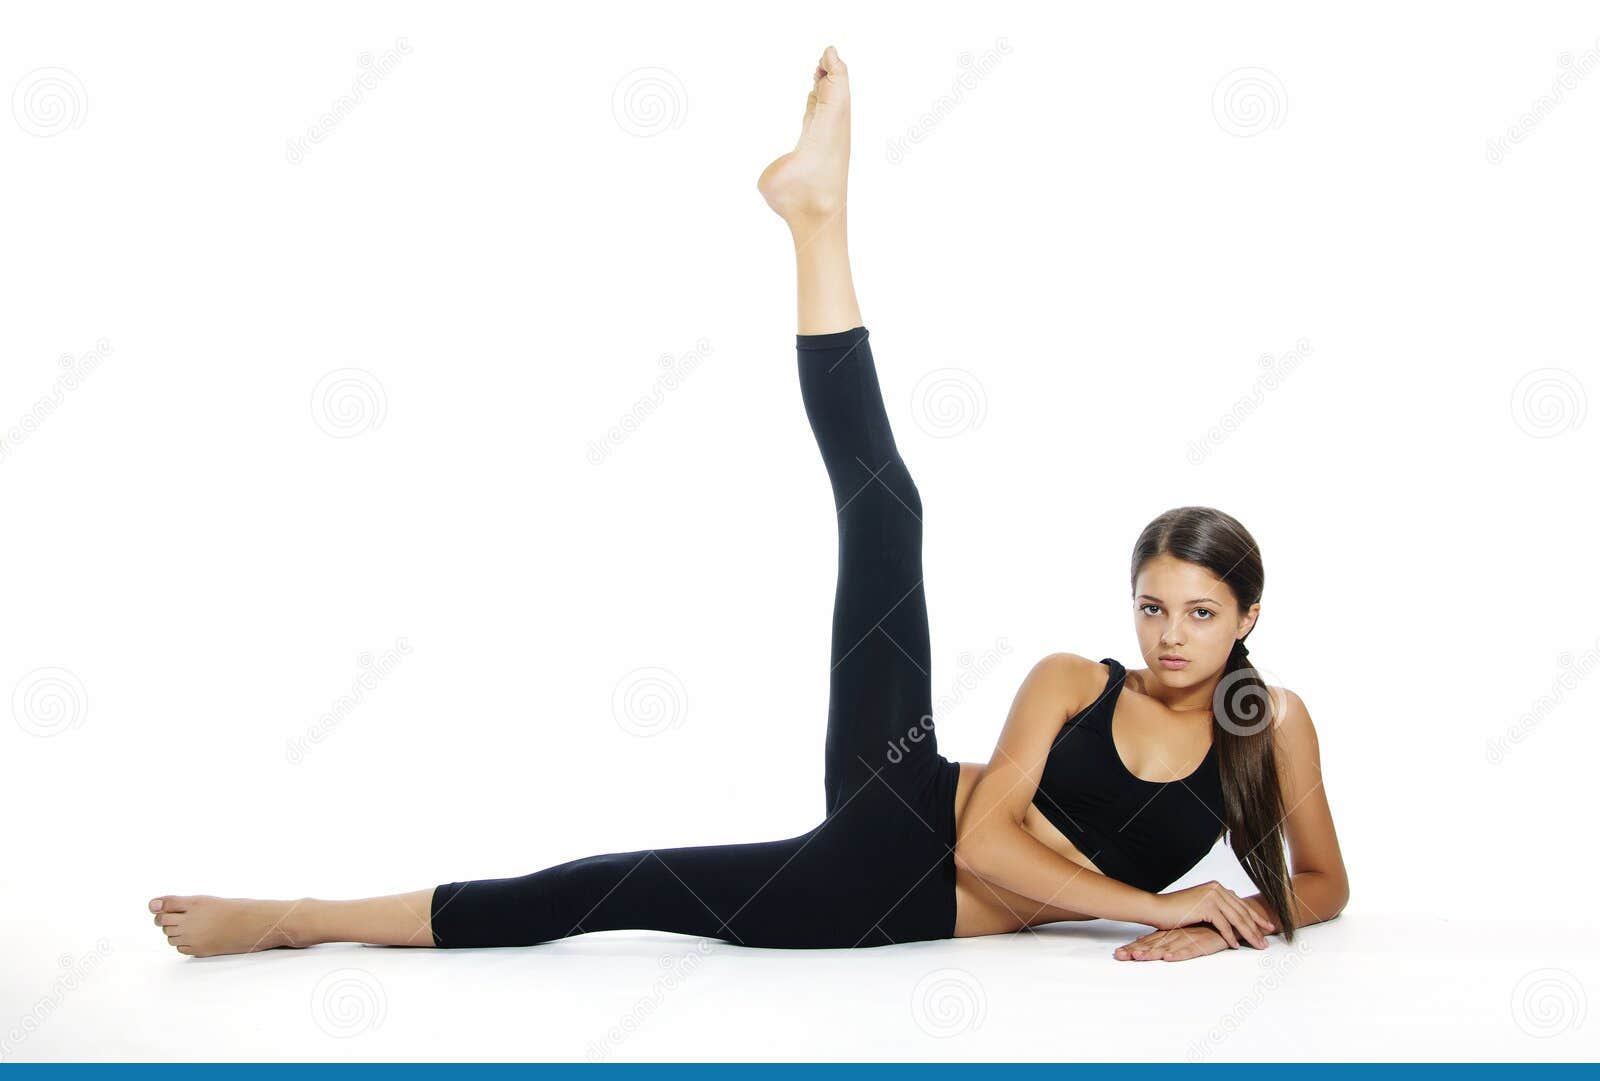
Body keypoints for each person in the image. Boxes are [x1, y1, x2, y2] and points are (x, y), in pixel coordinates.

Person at [148, 46, 1347, 964]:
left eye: (1199, 612)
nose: (1168, 634)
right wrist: (1159, 906)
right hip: (906, 799)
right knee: (888, 507)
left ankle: (296, 917)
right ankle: (818, 220)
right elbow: (989, 838)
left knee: (618, 886)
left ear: (1247, 616)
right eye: (1152, 606)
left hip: (882, 892)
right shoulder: (1074, 681)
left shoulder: (1270, 721)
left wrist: (1214, 925)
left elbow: (1324, 883)